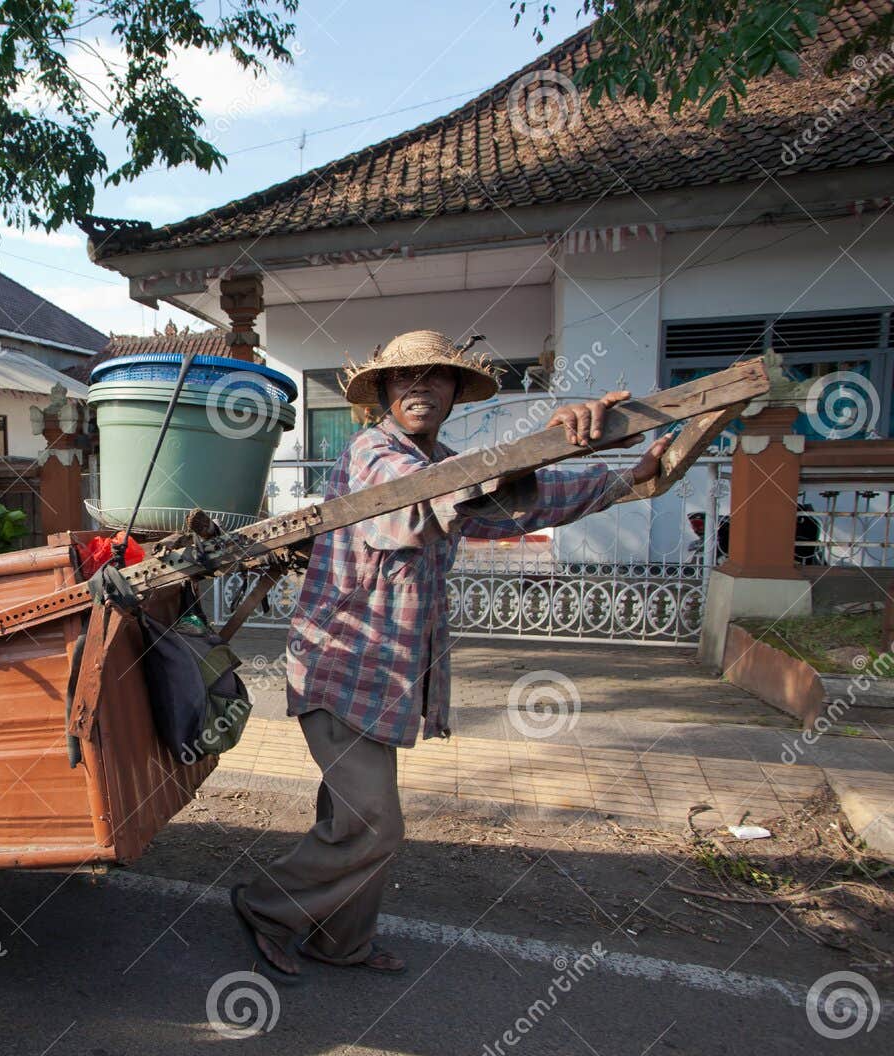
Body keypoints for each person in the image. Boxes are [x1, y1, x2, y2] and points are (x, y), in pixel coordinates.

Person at [231, 330, 674, 979]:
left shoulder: (450, 465)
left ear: (456, 391)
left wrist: (623, 477)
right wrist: (550, 440)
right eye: (404, 378)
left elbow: (517, 505)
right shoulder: (374, 454)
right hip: (340, 665)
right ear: (384, 391)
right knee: (375, 824)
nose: (419, 388)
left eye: (436, 376)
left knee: (353, 812)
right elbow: (418, 501)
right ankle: (267, 907)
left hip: (385, 675)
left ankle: (340, 941)